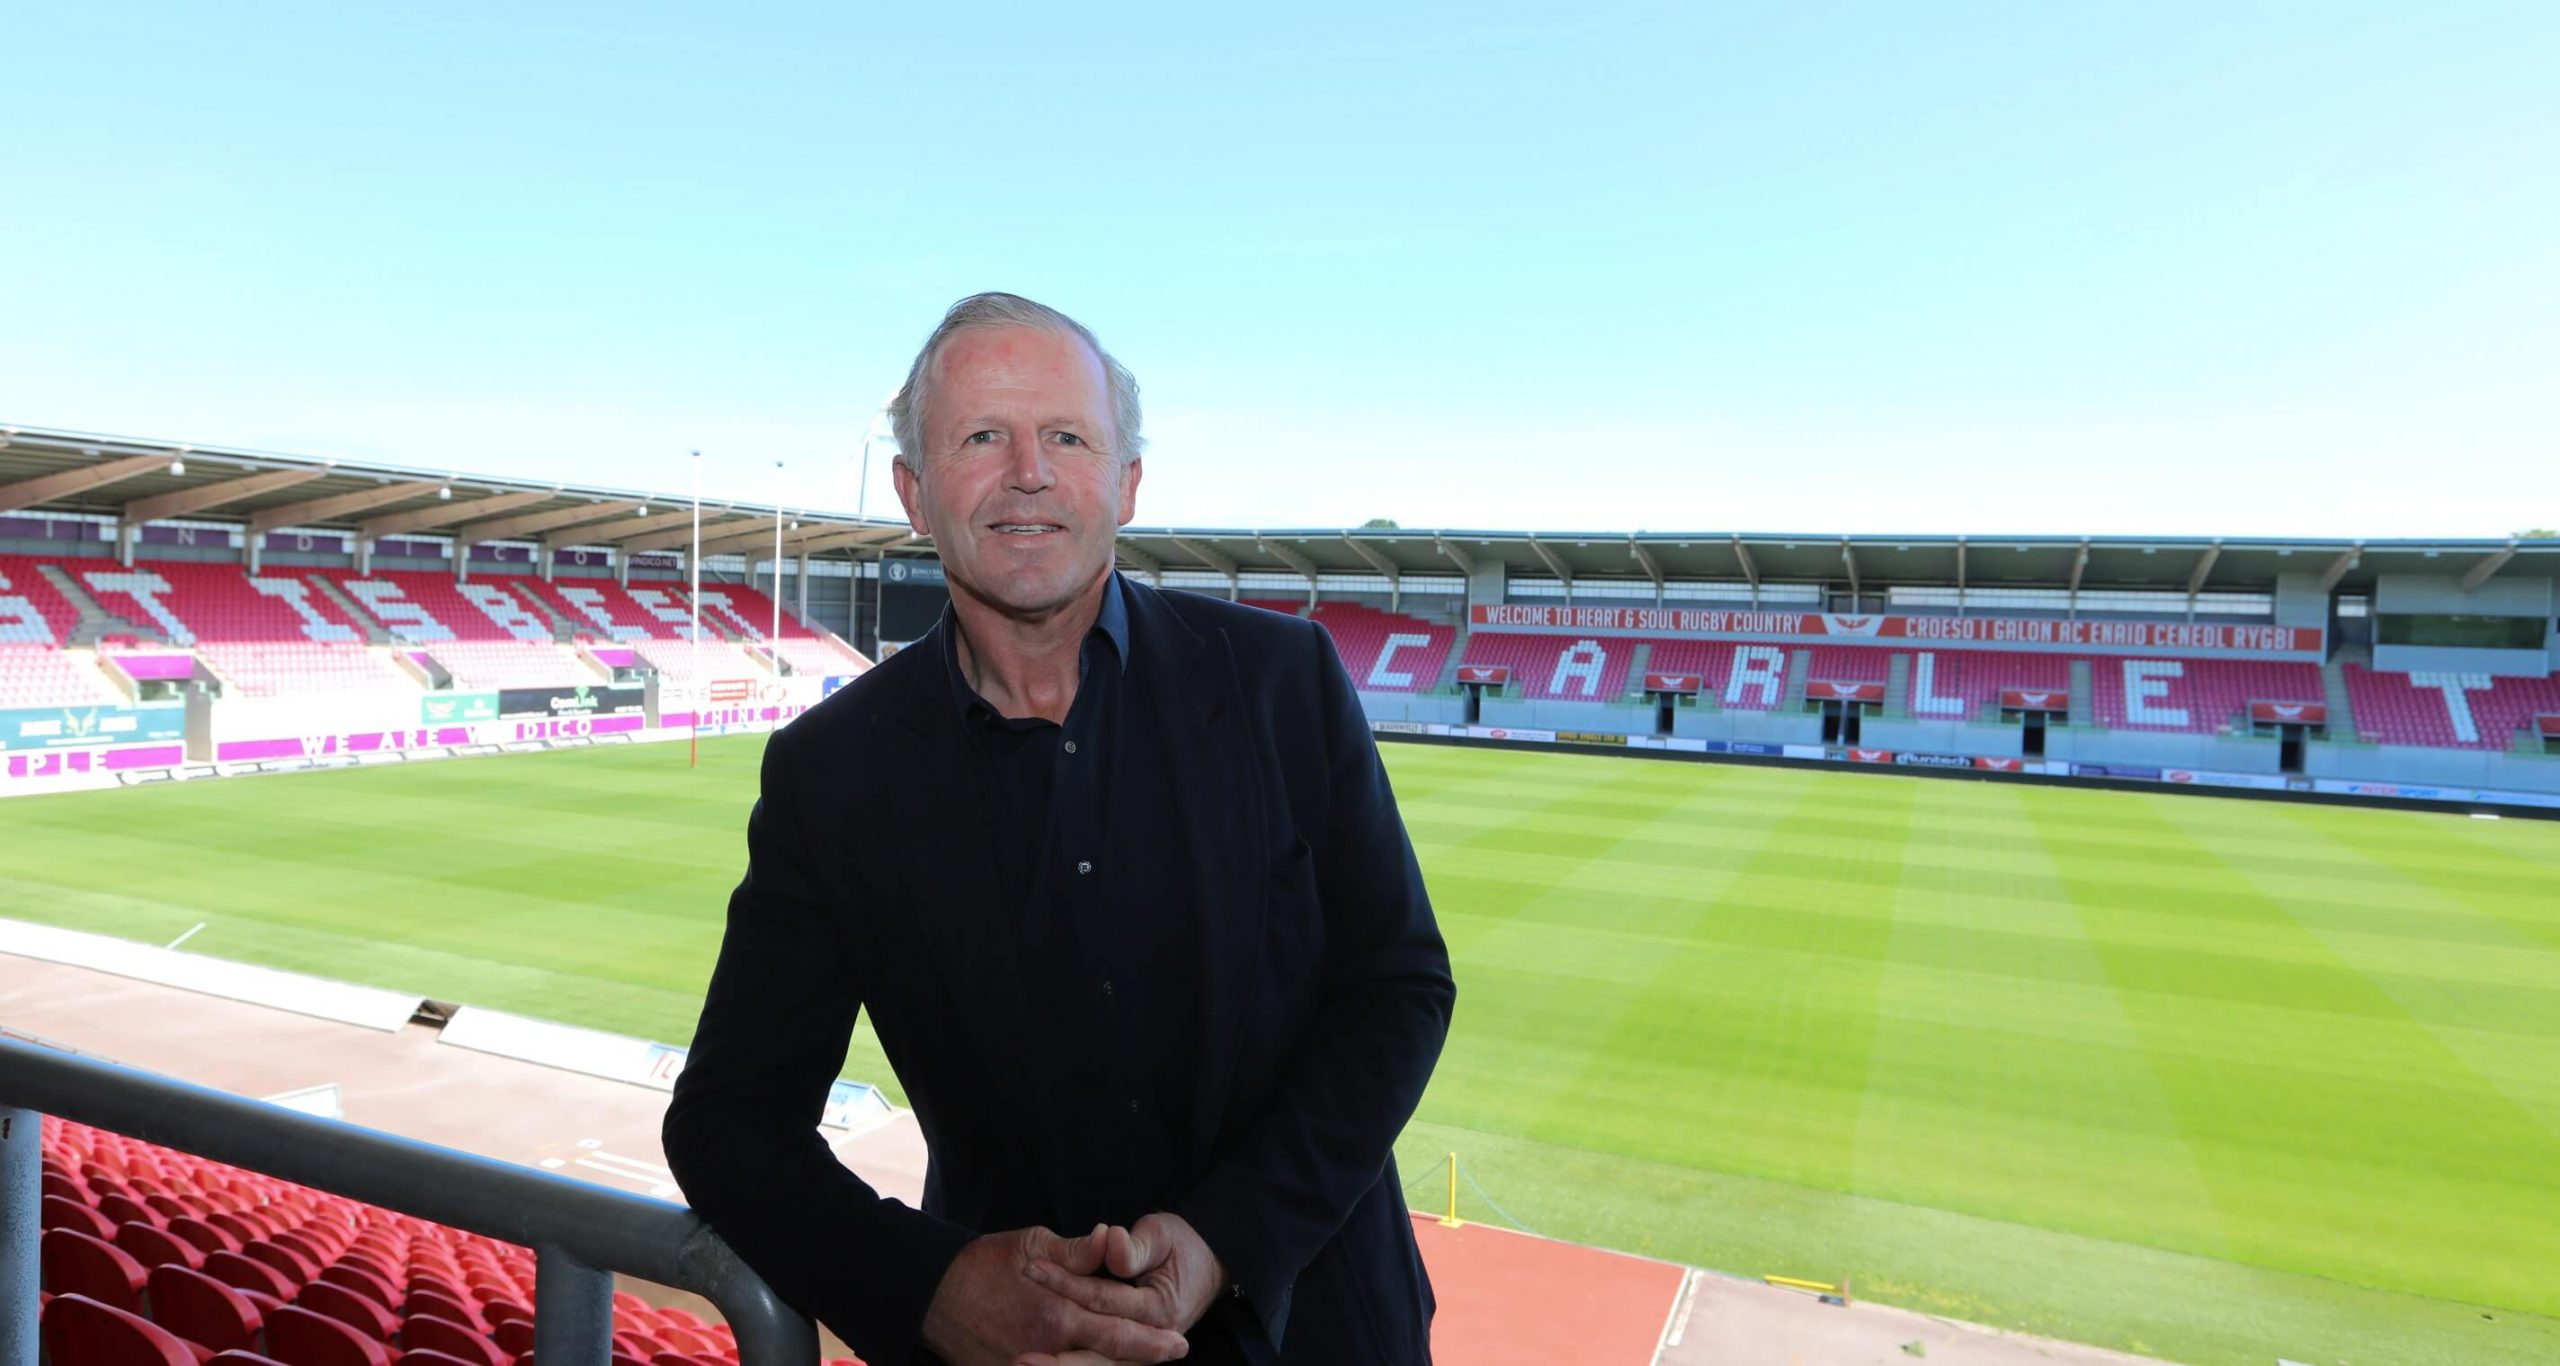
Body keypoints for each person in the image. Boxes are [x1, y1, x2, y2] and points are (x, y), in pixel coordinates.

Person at [662, 292, 1456, 1366]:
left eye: (1067, 437)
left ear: (1125, 483)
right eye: (981, 436)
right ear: (914, 492)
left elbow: (1398, 984)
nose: (1026, 470)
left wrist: (1226, 1238)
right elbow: (727, 1118)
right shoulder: (831, 770)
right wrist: (933, 1286)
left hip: (1318, 1331)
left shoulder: (1282, 683)